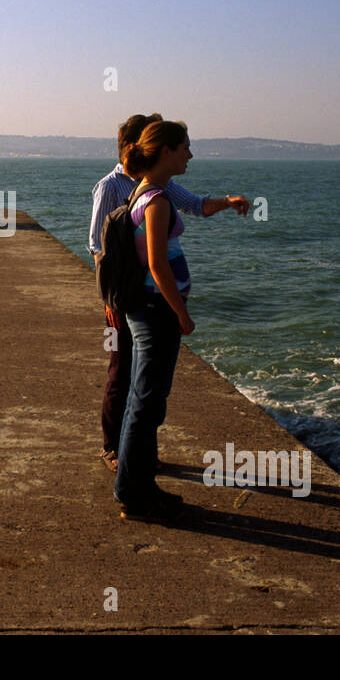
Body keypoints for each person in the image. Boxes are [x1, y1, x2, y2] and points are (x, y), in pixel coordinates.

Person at [89, 115, 250, 474]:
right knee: (125, 375)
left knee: (145, 386)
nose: (190, 155)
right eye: (185, 148)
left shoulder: (157, 187)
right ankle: (115, 451)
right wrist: (113, 302)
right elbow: (97, 246)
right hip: (131, 298)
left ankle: (139, 457)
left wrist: (227, 201)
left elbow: (195, 204)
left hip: (145, 299)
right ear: (146, 145)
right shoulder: (116, 187)